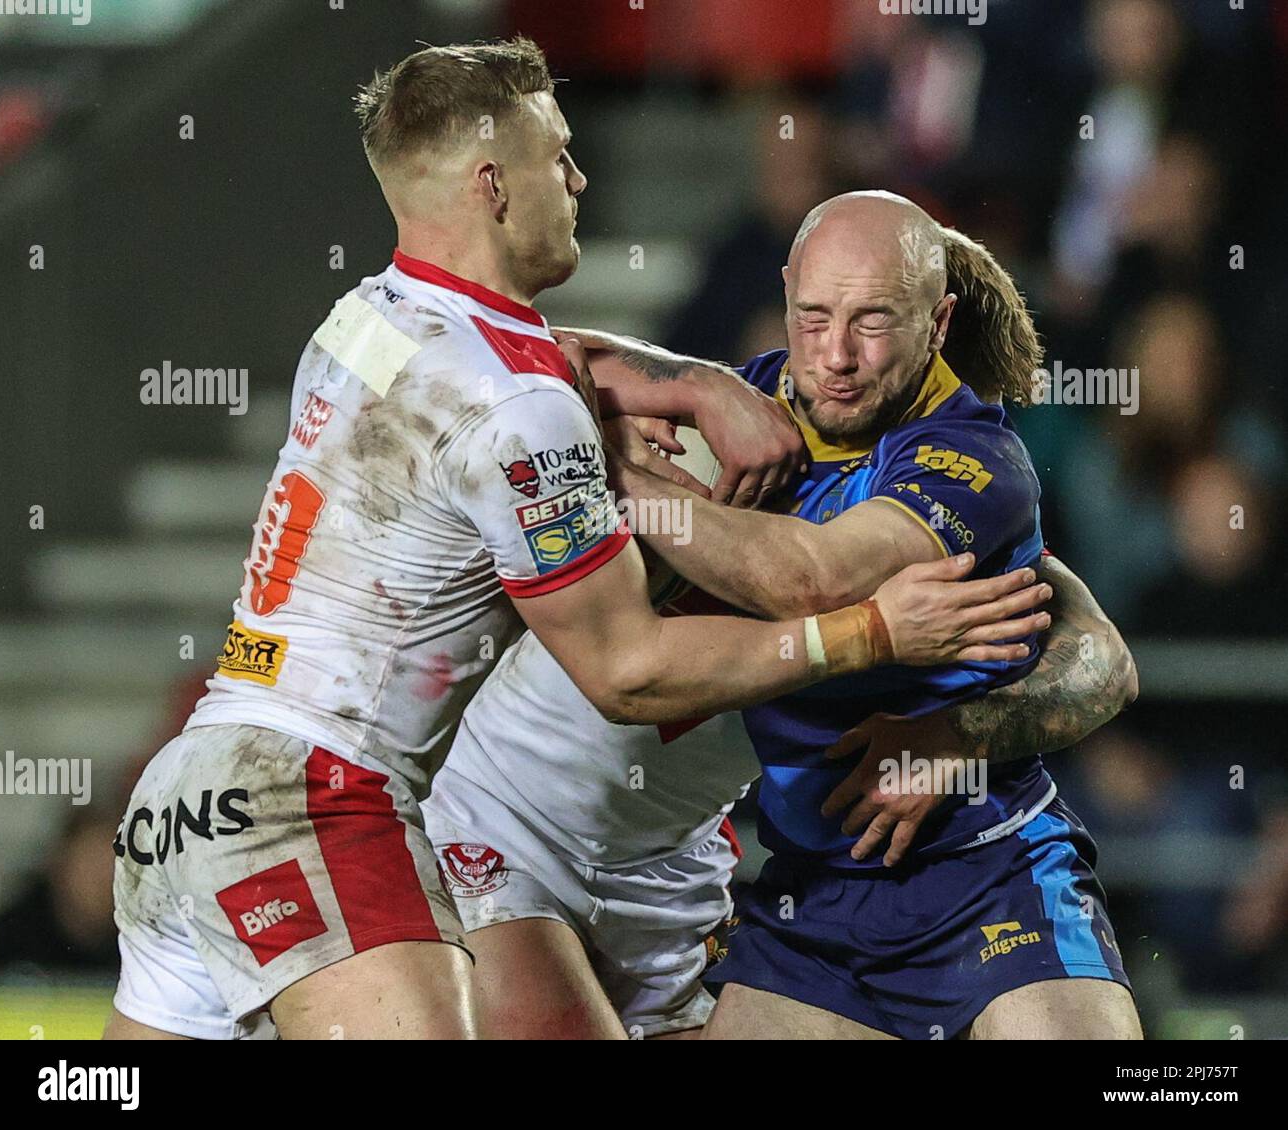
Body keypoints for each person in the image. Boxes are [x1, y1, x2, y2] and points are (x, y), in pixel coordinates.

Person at [104, 42, 1045, 1041]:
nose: (579, 178)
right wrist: (869, 633)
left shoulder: (361, 322)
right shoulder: (524, 408)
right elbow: (630, 667)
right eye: (558, 154)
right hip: (329, 797)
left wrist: (692, 384)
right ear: (492, 186)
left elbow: (538, 366)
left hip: (193, 787)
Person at [422, 217, 1137, 1038]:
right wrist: (682, 394)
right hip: (521, 821)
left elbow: (1103, 662)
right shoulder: (733, 412)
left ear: (935, 337)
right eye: (819, 320)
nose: (840, 362)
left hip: (811, 867)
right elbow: (520, 352)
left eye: (878, 329)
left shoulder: (970, 477)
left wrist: (956, 734)